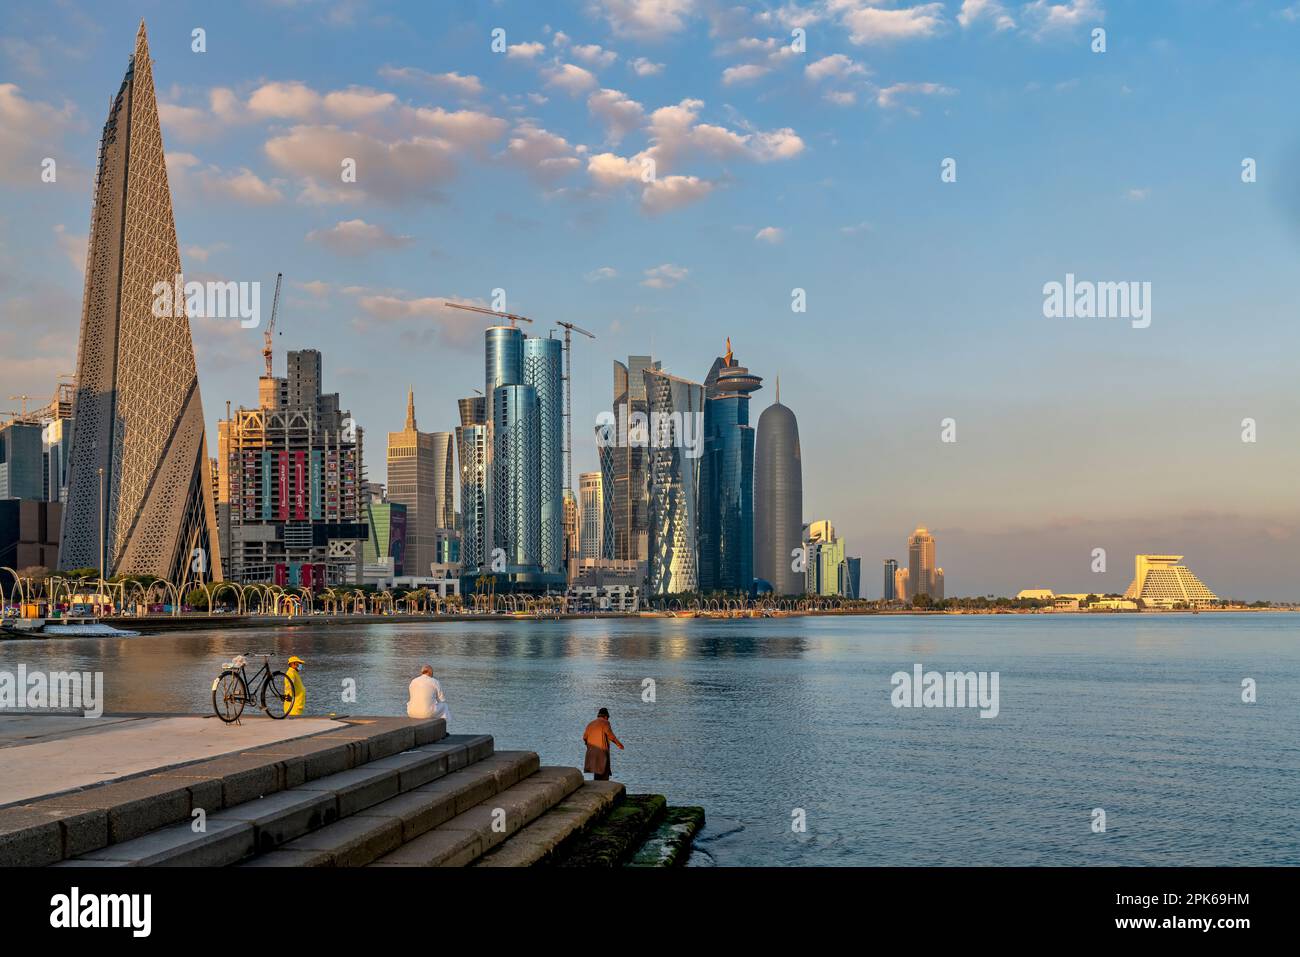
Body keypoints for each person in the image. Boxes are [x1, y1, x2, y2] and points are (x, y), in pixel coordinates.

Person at [582, 707, 623, 781]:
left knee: (597, 772)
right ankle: (604, 790)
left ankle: (597, 789)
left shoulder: (590, 724)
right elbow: (611, 736)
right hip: (601, 752)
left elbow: (584, 737)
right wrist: (619, 744)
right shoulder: (605, 722)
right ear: (606, 716)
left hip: (592, 752)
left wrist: (588, 746)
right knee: (604, 772)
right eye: (608, 718)